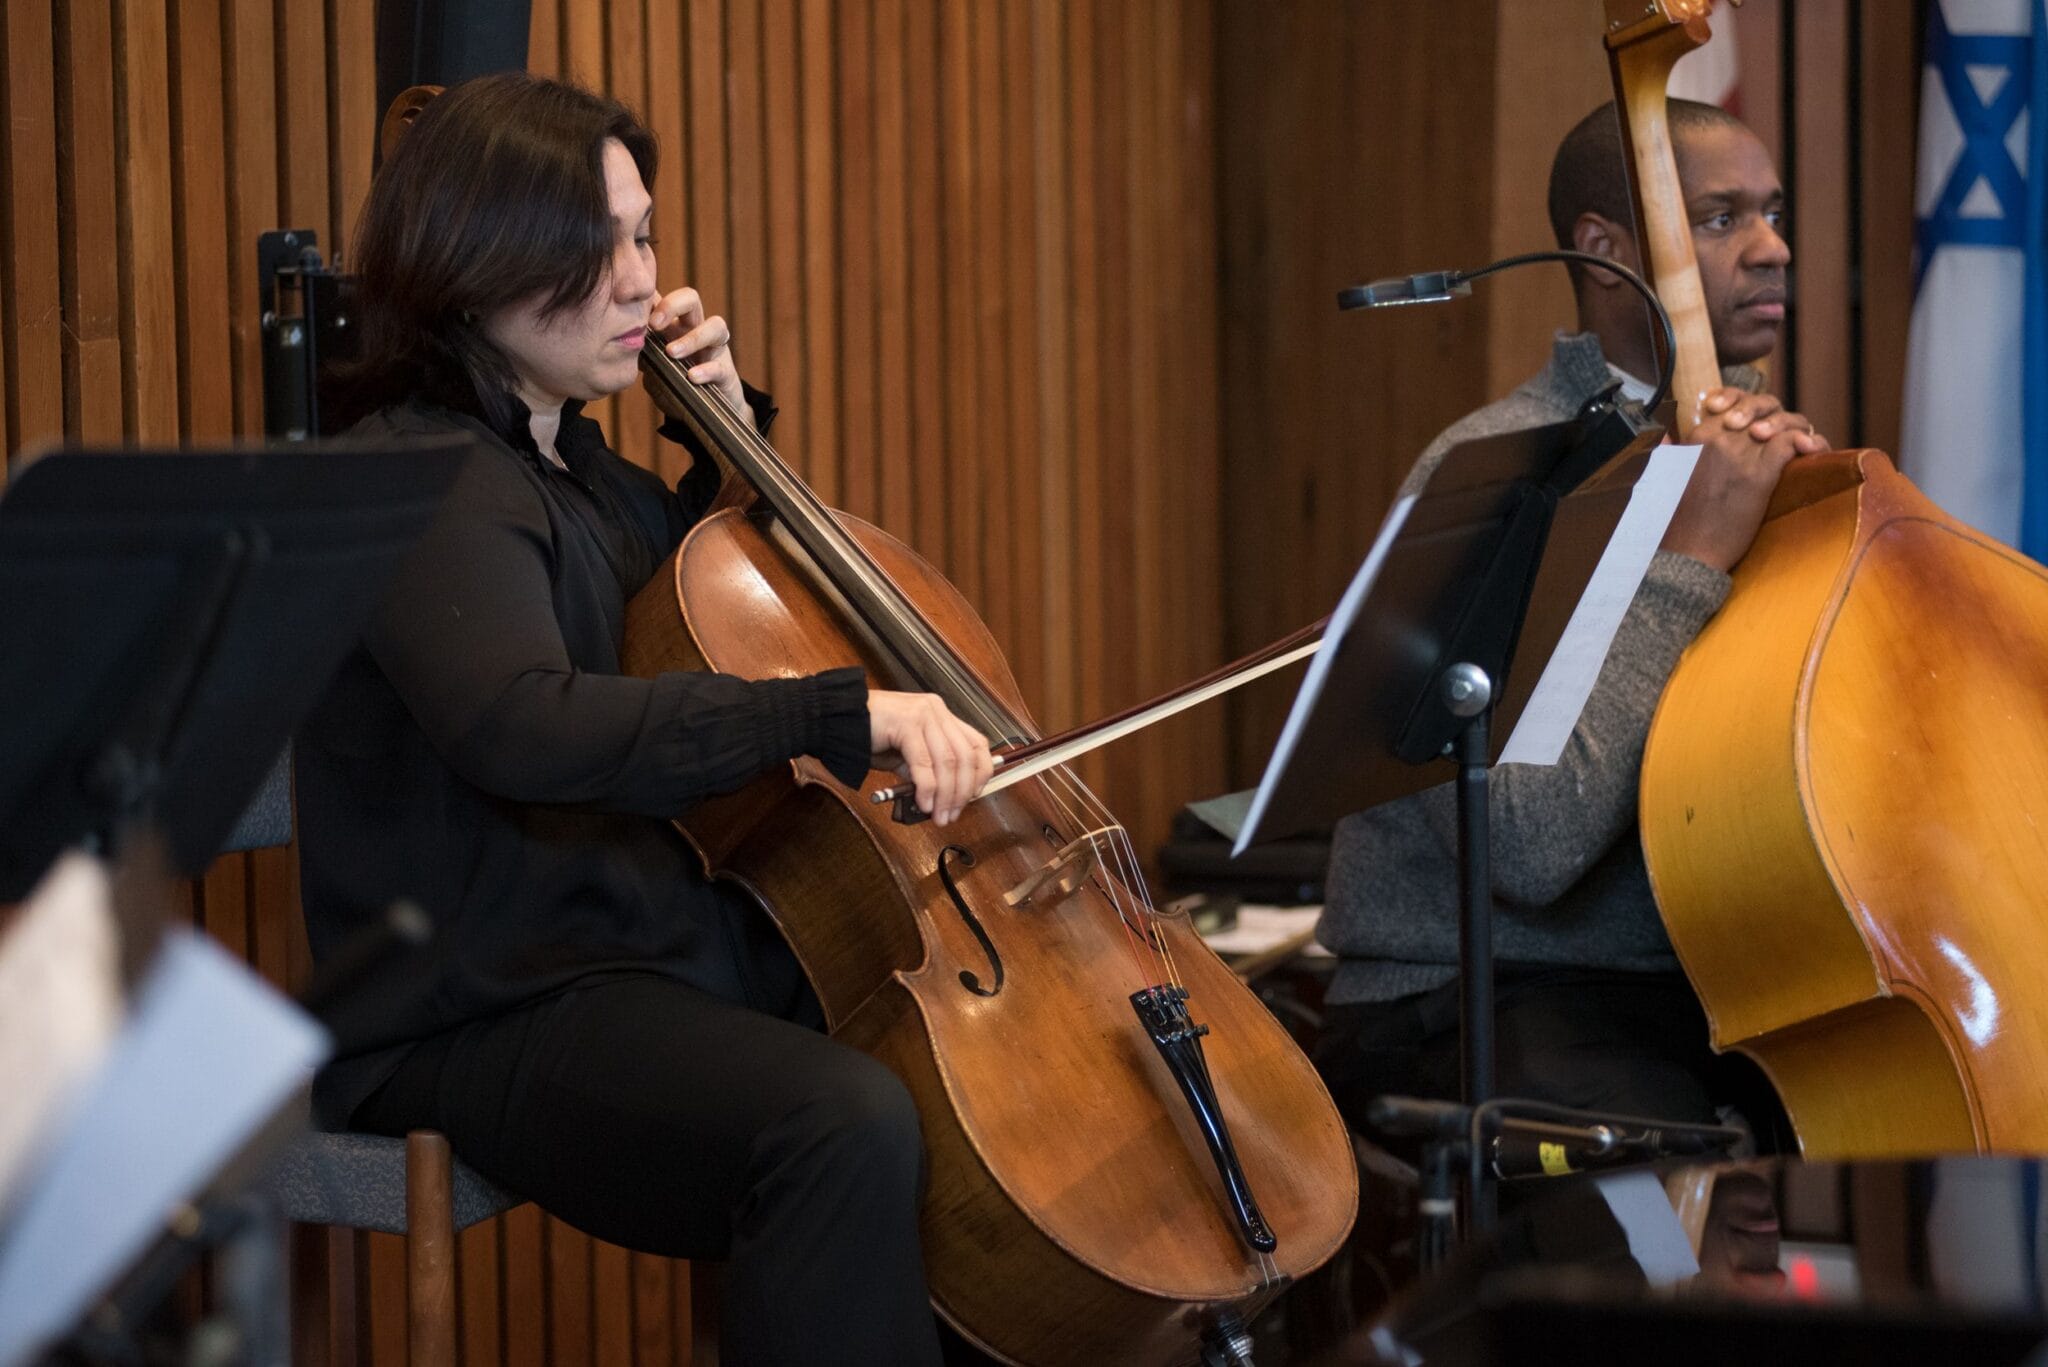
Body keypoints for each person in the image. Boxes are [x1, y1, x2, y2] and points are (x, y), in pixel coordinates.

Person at [295, 72, 994, 1365]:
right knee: (836, 1120)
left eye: (644, 232)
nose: (639, 279)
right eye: (594, 242)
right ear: (475, 262)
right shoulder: (419, 474)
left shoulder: (586, 472)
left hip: (631, 947)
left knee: (961, 1093)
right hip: (475, 1004)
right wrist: (844, 718)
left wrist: (732, 440)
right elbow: (530, 724)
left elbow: (735, 620)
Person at [1313, 100, 1827, 1143]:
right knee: (1651, 1199)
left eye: (1770, 213)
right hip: (1480, 985)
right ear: (1604, 251)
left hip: (1698, 980)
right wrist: (1687, 557)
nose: (1773, 249)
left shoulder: (1763, 463)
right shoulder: (1496, 474)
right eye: (1721, 219)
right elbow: (1528, 844)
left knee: (1893, 1135)